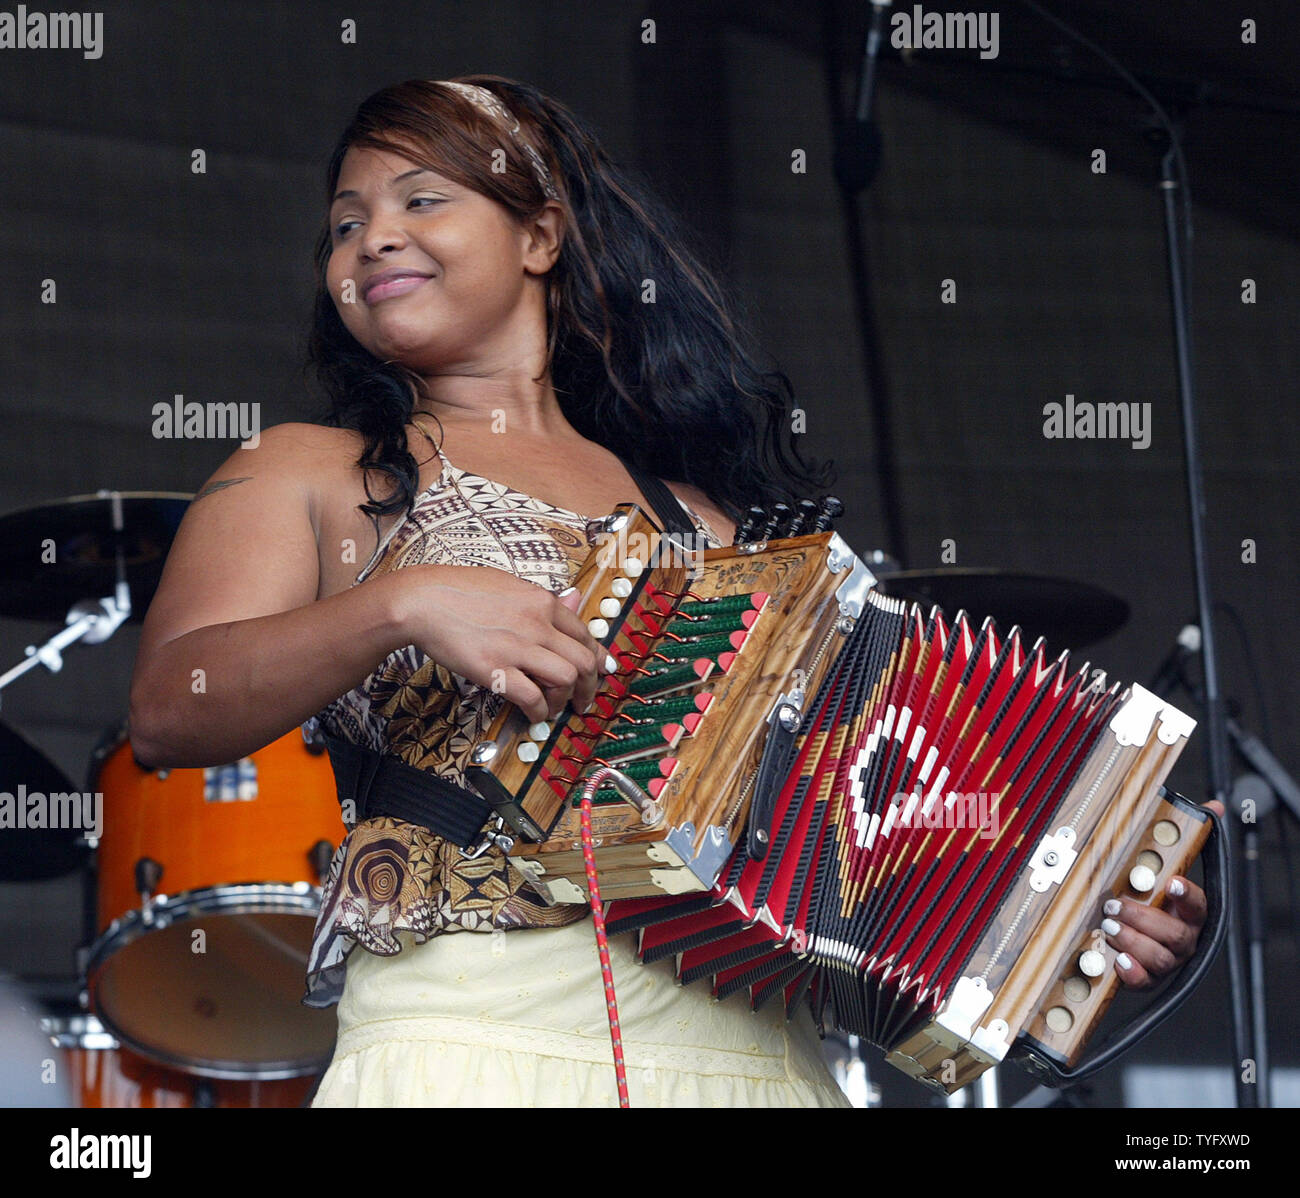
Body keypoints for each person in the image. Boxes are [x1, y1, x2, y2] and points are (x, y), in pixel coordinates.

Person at [128, 75, 1218, 1108]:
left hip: (757, 1065)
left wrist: (1081, 917)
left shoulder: (716, 525)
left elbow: (863, 848)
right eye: (344, 222)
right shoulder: (307, 469)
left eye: (421, 198)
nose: (372, 238)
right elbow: (171, 706)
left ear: (541, 236)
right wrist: (398, 604)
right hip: (471, 1044)